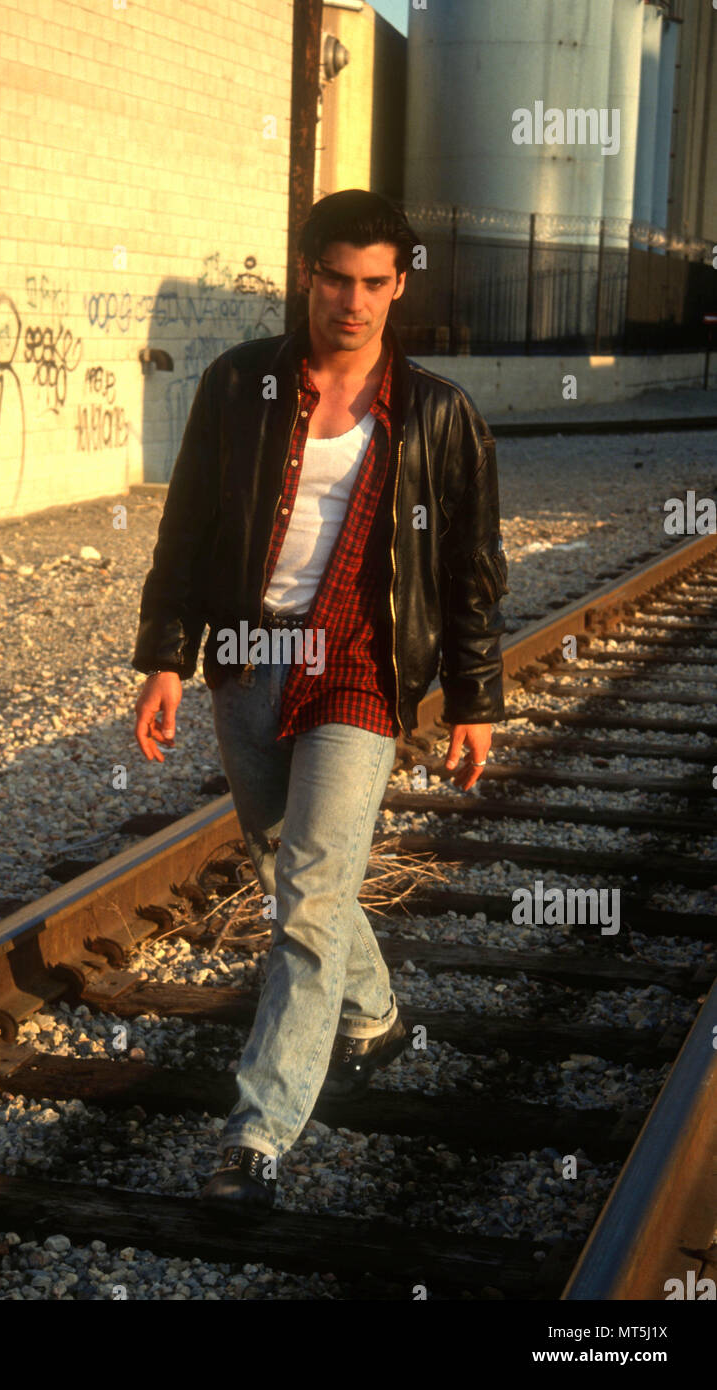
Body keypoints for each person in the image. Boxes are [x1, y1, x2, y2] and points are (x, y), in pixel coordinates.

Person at [132, 189, 507, 1218]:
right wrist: (167, 656)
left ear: (398, 285)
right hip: (251, 651)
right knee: (280, 863)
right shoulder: (237, 384)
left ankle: (257, 1132)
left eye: (374, 282)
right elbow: (191, 531)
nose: (353, 300)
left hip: (362, 665)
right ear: (307, 275)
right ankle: (376, 1009)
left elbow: (473, 571)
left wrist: (473, 696)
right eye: (335, 278)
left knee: (304, 895)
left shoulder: (438, 412)